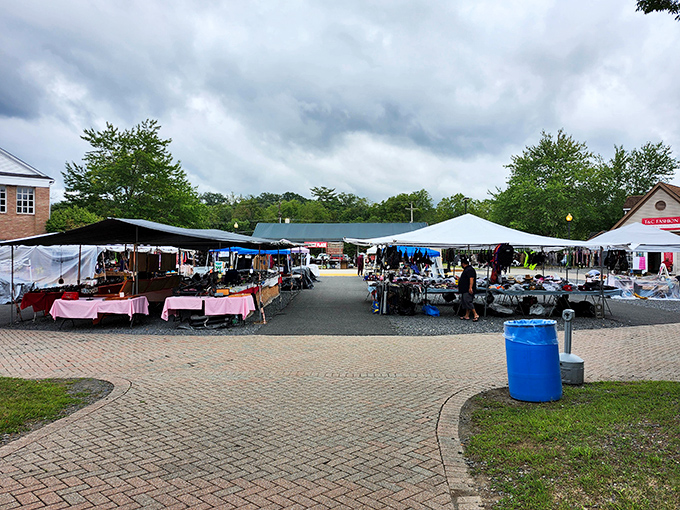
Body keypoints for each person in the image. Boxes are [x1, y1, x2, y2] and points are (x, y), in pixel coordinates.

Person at [458, 257, 479, 321]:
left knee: (468, 301)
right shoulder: (467, 269)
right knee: (465, 302)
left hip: (467, 289)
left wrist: (470, 288)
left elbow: (471, 278)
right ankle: (467, 315)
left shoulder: (469, 270)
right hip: (465, 289)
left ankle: (475, 314)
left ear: (463, 264)